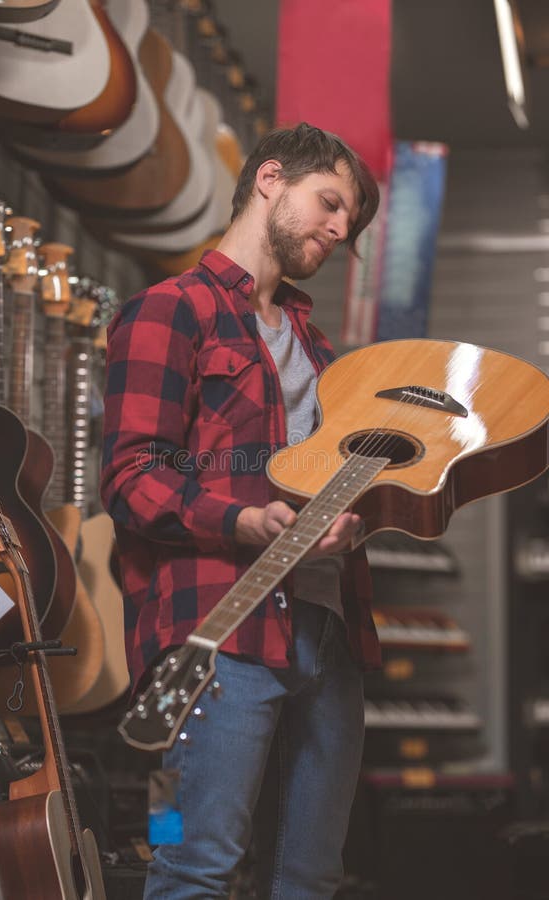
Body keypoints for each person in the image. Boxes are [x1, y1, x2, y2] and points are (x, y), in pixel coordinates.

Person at [101, 122, 382, 899]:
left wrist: (352, 521)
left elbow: (332, 482)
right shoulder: (170, 311)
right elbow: (129, 477)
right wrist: (242, 520)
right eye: (330, 204)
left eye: (349, 222)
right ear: (269, 180)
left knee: (310, 878)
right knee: (193, 867)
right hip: (218, 635)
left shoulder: (321, 352)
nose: (339, 229)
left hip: (326, 635)